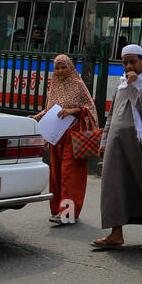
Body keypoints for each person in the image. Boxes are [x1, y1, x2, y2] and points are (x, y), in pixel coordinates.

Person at [91, 45, 142, 251]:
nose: (129, 66)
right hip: (116, 142)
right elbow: (112, 115)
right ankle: (116, 234)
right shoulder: (121, 84)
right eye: (125, 62)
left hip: (141, 144)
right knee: (114, 186)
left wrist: (134, 85)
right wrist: (104, 141)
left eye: (133, 61)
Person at [34, 54, 95, 225]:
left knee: (70, 175)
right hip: (56, 136)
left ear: (70, 68)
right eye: (57, 68)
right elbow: (49, 110)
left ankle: (67, 214)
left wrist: (72, 111)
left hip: (73, 136)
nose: (60, 71)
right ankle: (57, 210)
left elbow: (89, 108)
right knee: (57, 175)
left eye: (63, 67)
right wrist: (36, 117)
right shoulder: (54, 85)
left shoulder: (78, 85)